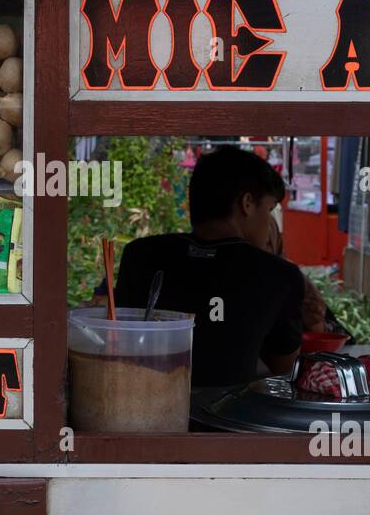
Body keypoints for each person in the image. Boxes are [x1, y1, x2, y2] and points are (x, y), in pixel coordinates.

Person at [115, 146, 305, 389]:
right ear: (247, 203)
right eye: (269, 210)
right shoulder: (278, 276)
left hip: (139, 412)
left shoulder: (140, 255)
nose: (269, 223)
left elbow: (118, 340)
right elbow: (286, 369)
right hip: (228, 421)